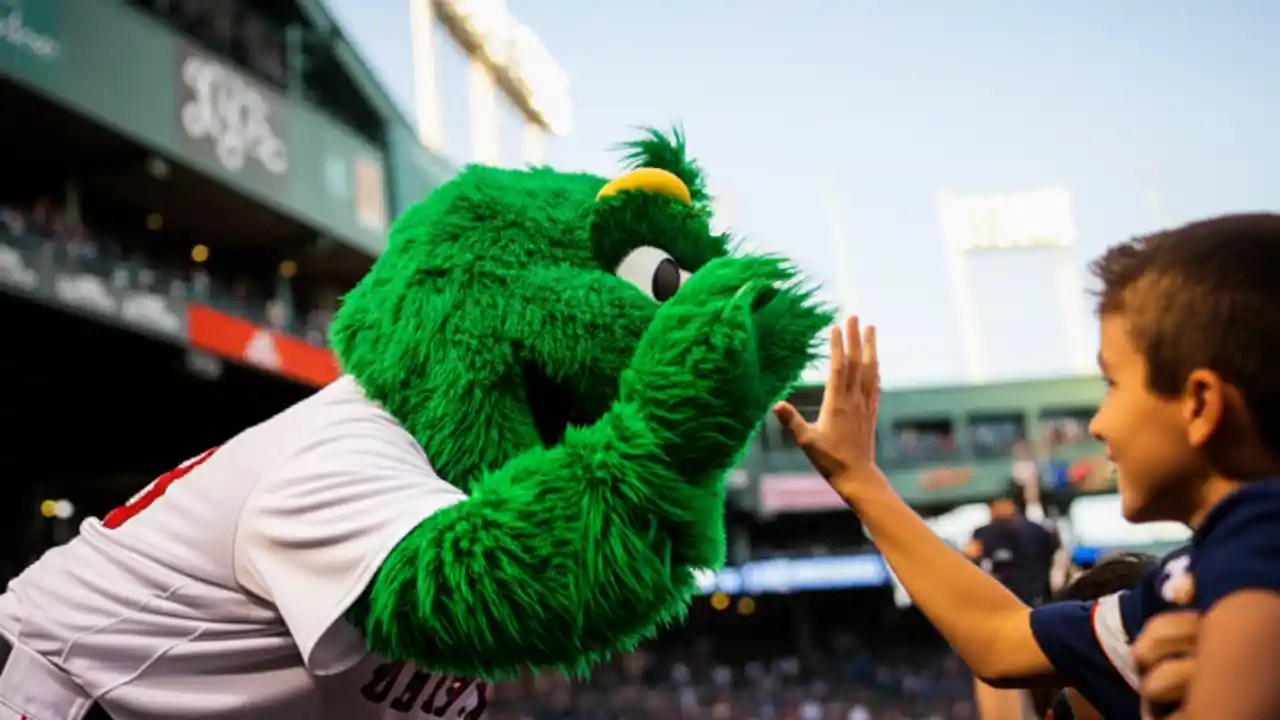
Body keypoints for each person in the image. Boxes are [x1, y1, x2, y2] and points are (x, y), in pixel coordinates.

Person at [777, 215, 1280, 719]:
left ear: (1200, 404)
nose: (1098, 423)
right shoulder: (1174, 585)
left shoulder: (1261, 527)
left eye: (1112, 383)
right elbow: (999, 641)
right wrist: (857, 478)